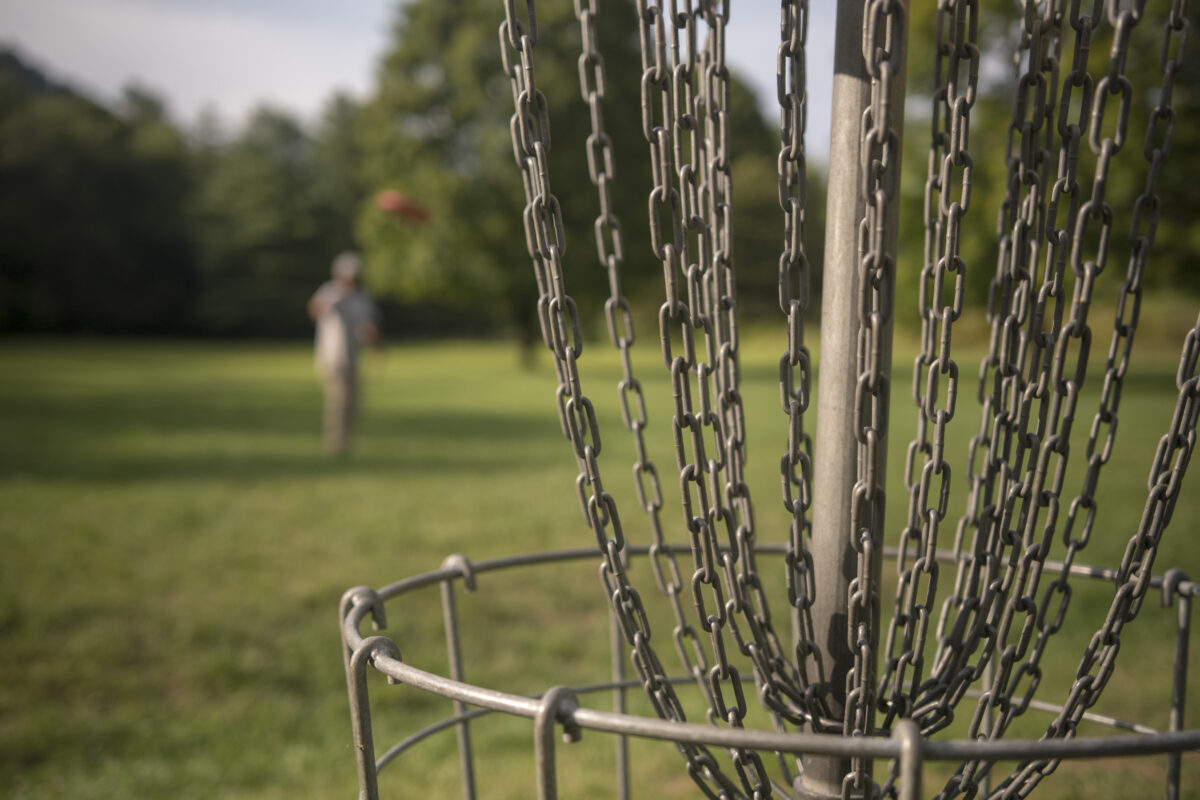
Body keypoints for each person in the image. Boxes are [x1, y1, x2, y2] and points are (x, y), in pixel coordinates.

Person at [308, 251, 381, 455]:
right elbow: (315, 309)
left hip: (353, 358)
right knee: (339, 400)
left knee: (352, 402)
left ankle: (347, 441)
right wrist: (325, 305)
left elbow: (369, 327)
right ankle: (336, 445)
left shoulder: (362, 298)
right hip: (332, 358)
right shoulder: (331, 292)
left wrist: (374, 342)